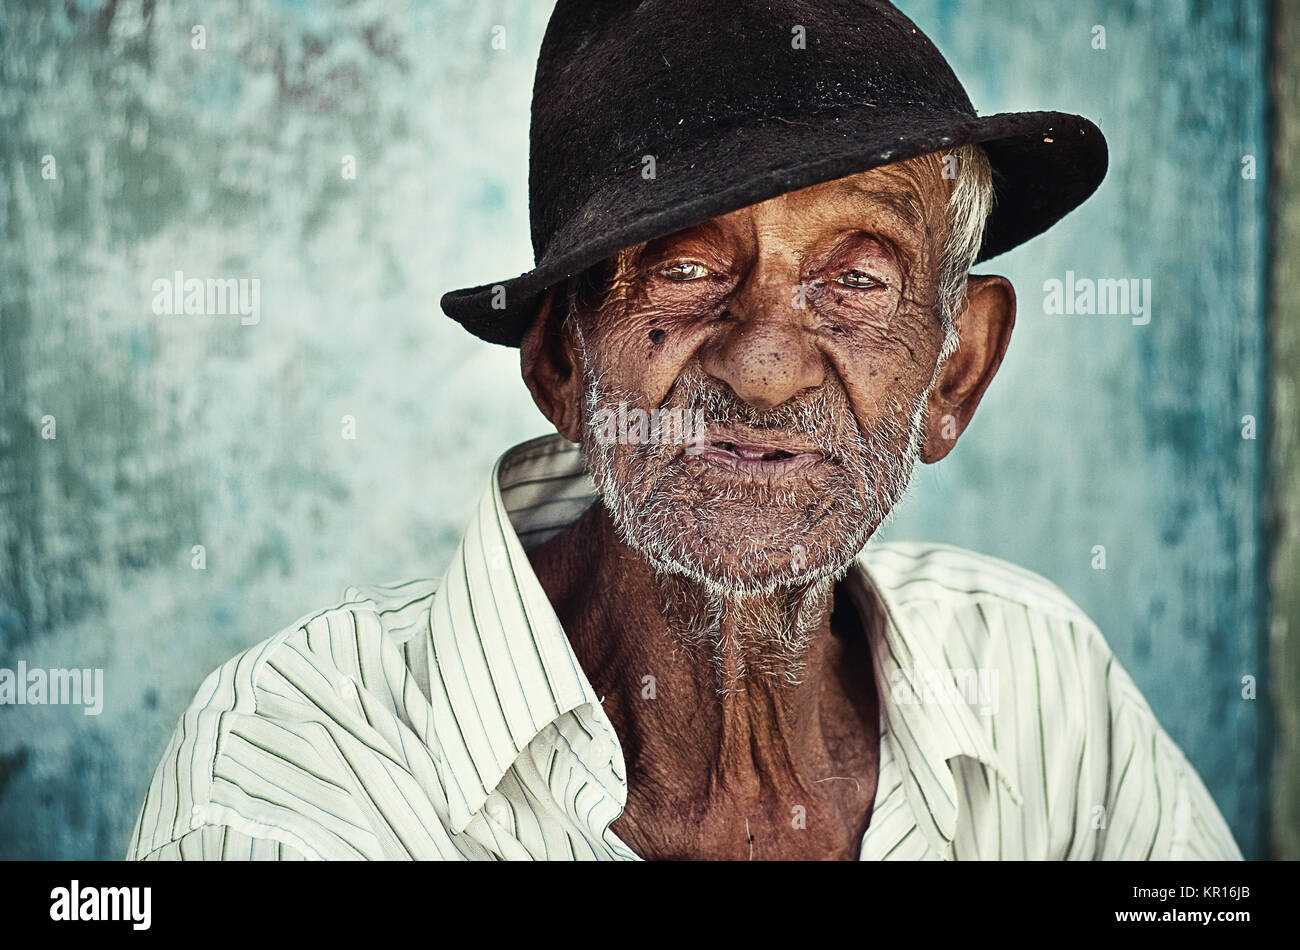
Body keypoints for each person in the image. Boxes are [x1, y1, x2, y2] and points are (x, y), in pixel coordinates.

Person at [128, 0, 1241, 860]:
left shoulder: (1043, 684)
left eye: (855, 276)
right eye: (687, 267)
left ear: (955, 367)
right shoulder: (301, 752)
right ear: (564, 361)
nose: (762, 366)